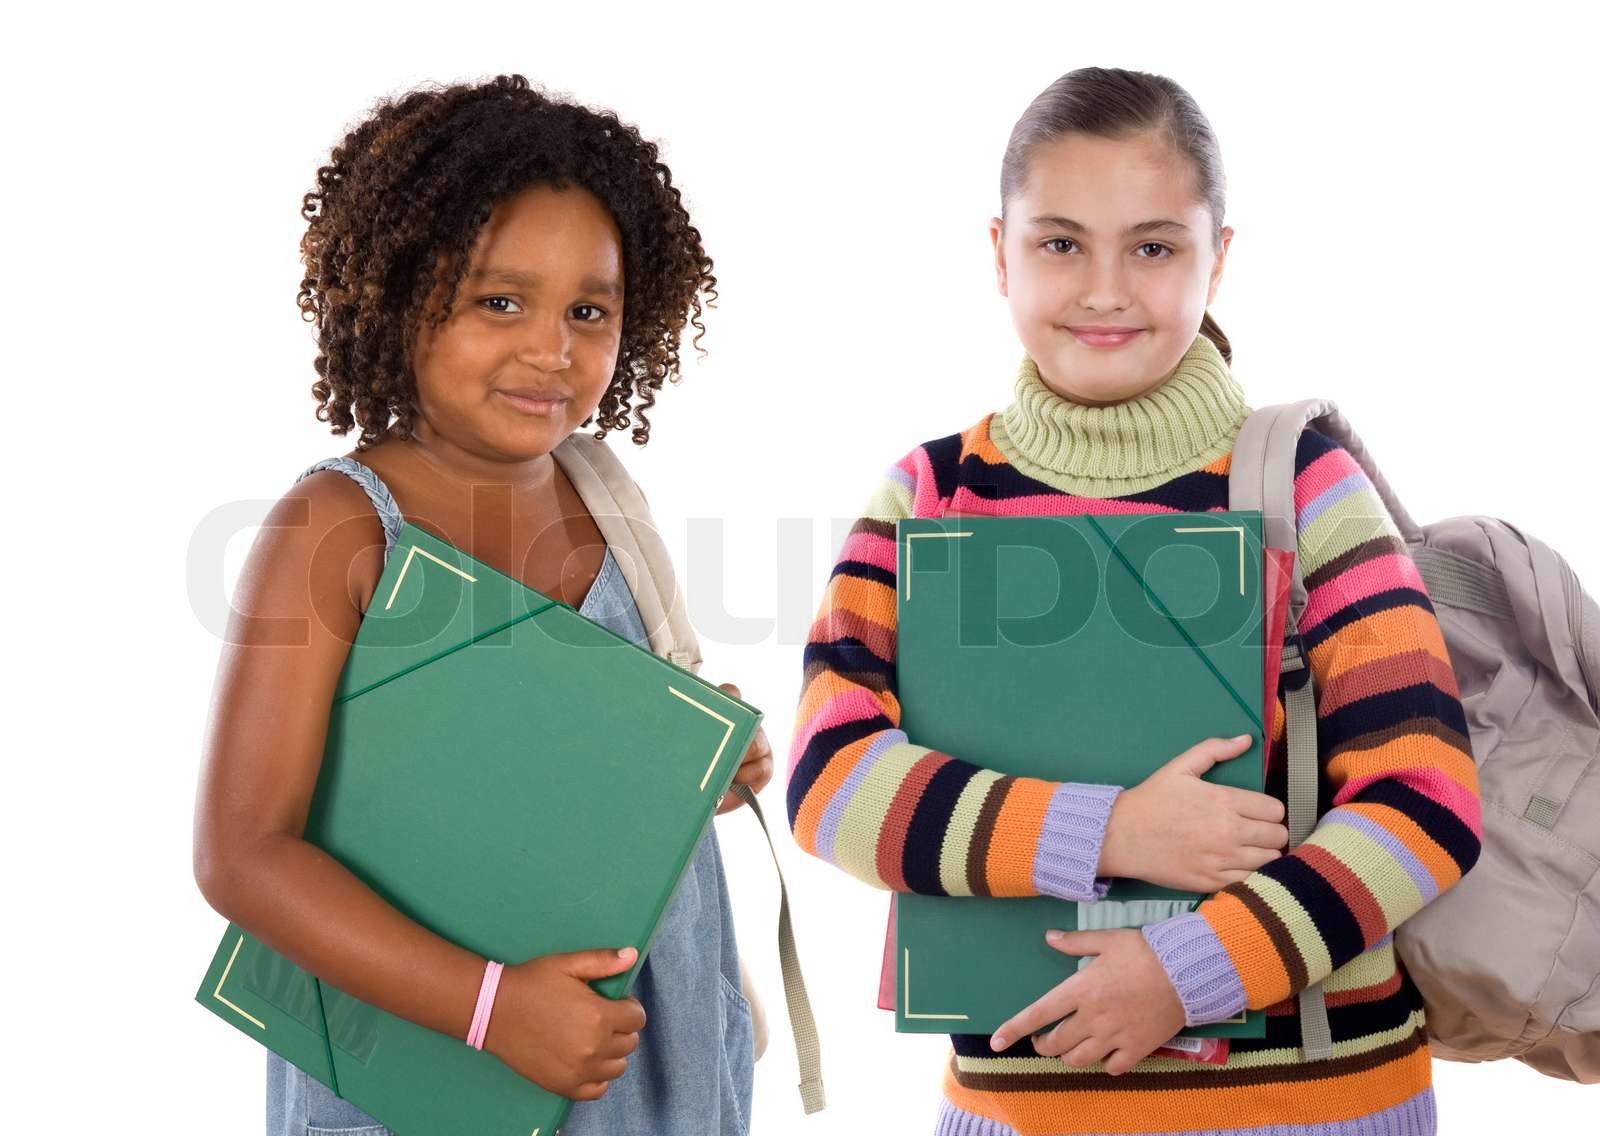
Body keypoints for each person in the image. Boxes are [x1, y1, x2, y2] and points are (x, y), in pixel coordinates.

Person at [787, 65, 1481, 1135]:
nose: (1105, 288)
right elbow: (829, 783)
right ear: (997, 252)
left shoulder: (1301, 484)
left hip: (1315, 1104)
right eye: (1059, 242)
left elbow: (1423, 800)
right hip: (1022, 1107)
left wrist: (1188, 969)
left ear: (1219, 256)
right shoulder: (928, 494)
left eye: (1153, 246)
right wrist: (1108, 829)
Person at [193, 74, 769, 1136]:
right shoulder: (338, 527)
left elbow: (554, 776)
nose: (551, 349)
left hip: (643, 1061)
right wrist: (490, 1008)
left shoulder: (603, 498)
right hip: (435, 1065)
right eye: (498, 301)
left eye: (587, 311)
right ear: (399, 293)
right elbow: (243, 851)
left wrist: (693, 769)